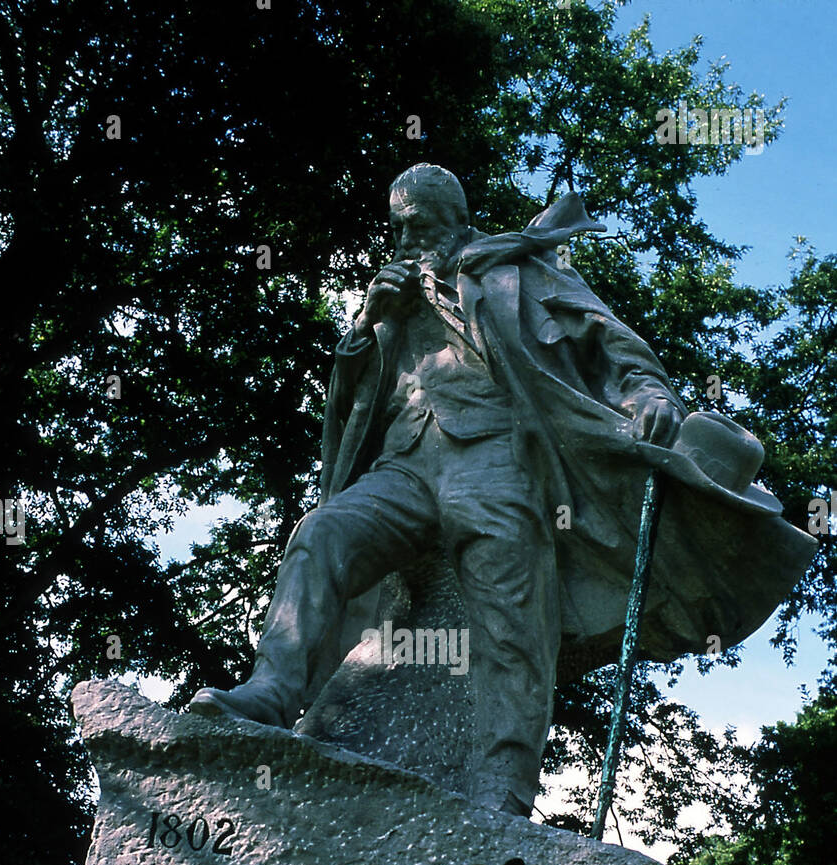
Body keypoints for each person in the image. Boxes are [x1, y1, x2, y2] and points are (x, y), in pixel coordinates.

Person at [189, 164, 814, 816]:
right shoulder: (390, 297)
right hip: (402, 465)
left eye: (422, 227)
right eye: (399, 229)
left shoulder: (515, 267)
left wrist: (648, 389)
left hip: (494, 459)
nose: (408, 242)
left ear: (457, 219)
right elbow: (351, 407)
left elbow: (606, 337)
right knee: (320, 534)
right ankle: (271, 688)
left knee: (512, 617)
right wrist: (369, 322)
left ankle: (502, 787)